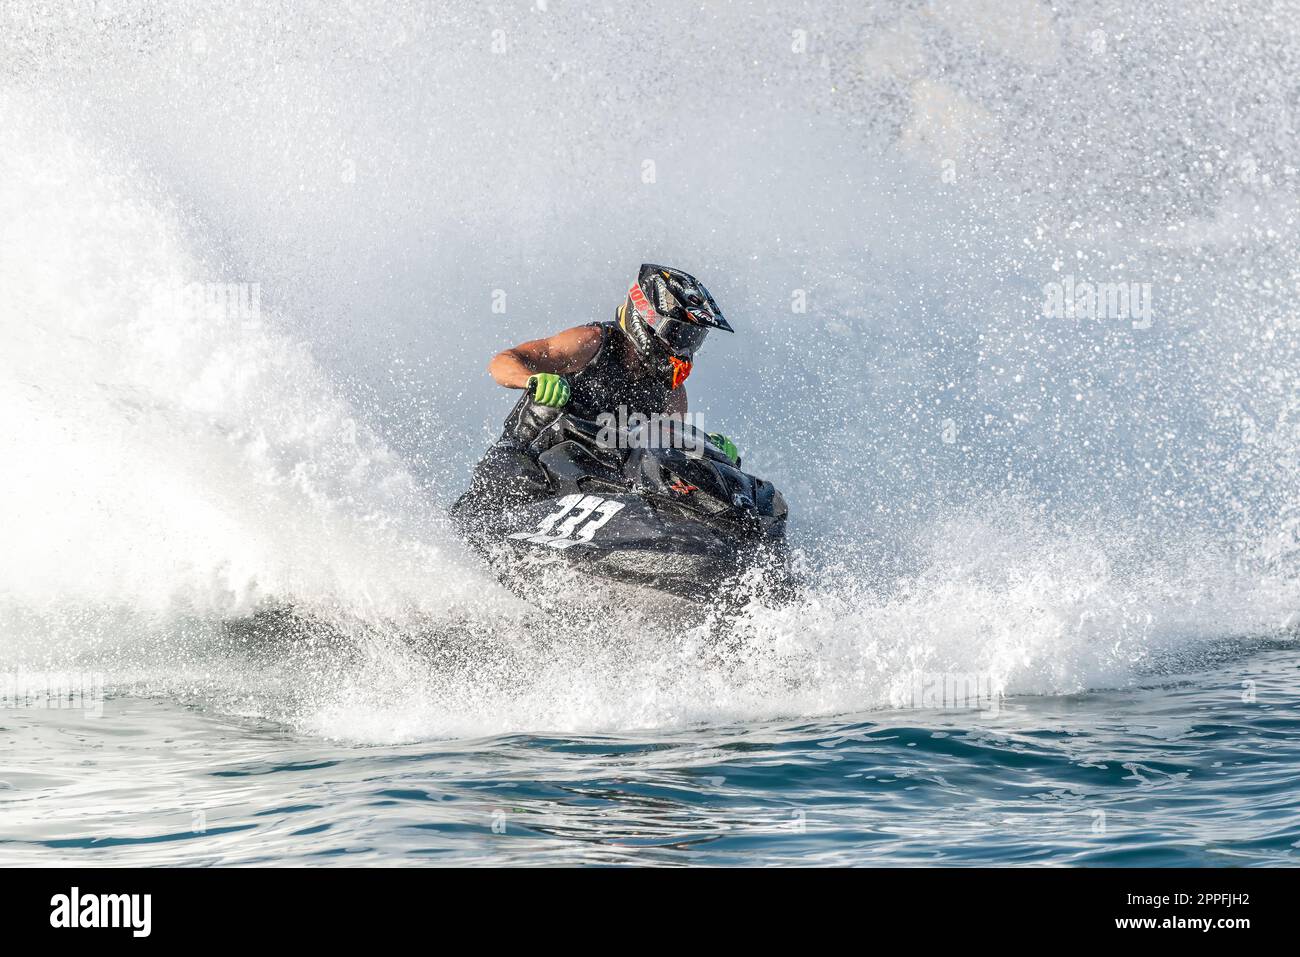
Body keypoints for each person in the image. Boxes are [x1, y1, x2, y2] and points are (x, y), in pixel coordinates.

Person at [451, 264, 739, 532]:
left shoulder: (671, 392)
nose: (685, 348)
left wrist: (707, 451)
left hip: (594, 485)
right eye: (679, 333)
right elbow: (502, 362)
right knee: (519, 471)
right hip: (528, 463)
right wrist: (532, 380)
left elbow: (668, 453)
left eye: (693, 338)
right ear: (646, 319)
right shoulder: (591, 342)